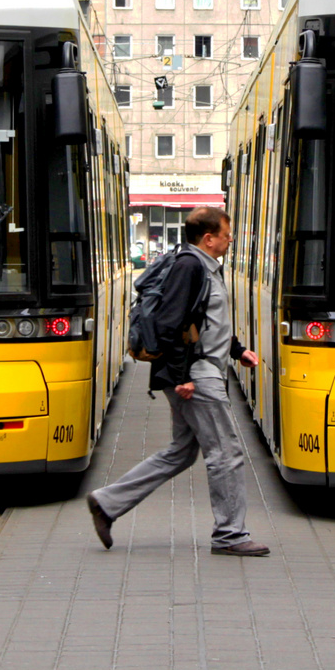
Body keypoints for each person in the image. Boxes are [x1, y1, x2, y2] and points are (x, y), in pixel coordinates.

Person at [87, 206, 269, 557]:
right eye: (227, 235)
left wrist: (237, 350)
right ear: (209, 238)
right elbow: (171, 324)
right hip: (197, 377)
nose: (231, 240)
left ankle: (107, 503)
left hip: (198, 371)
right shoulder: (190, 266)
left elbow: (202, 321)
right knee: (226, 452)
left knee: (181, 452)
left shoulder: (203, 267)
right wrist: (183, 377)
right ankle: (230, 535)